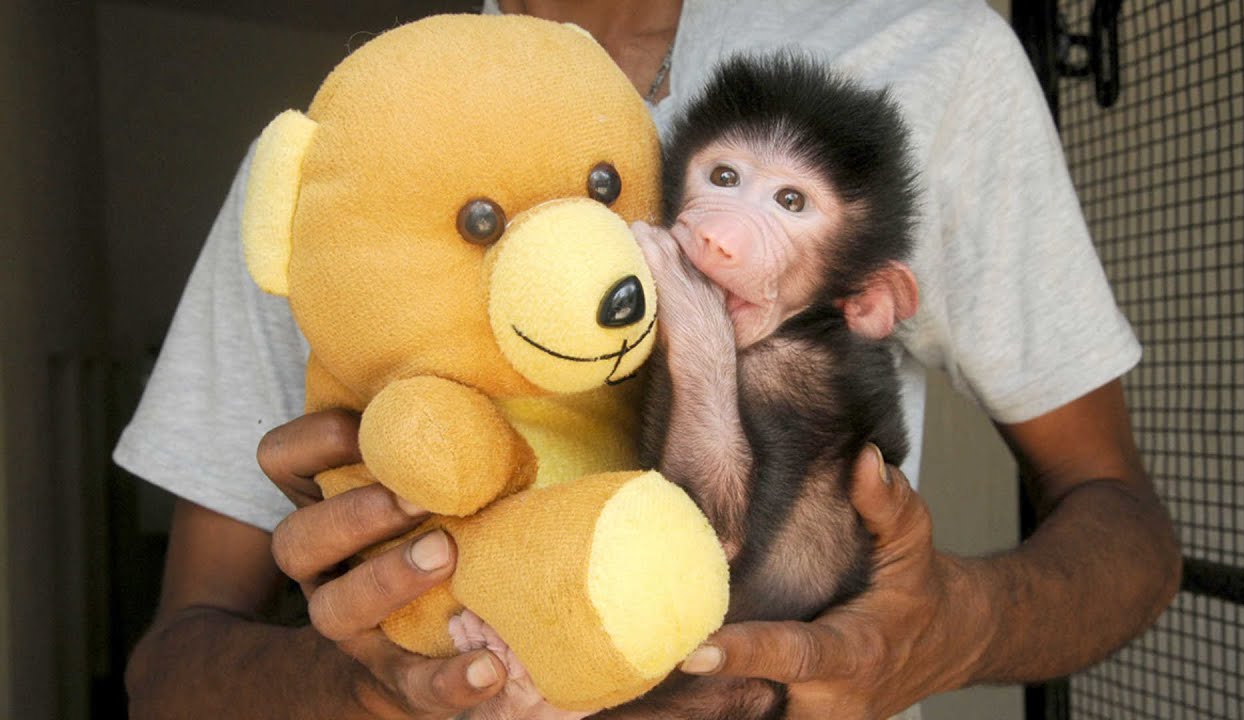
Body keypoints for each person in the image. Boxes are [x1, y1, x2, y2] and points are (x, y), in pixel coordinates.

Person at [114, 0, 1181, 718]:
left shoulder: (924, 57)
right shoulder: (346, 154)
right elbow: (170, 666)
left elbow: (1121, 525)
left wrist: (951, 629)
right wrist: (357, 687)